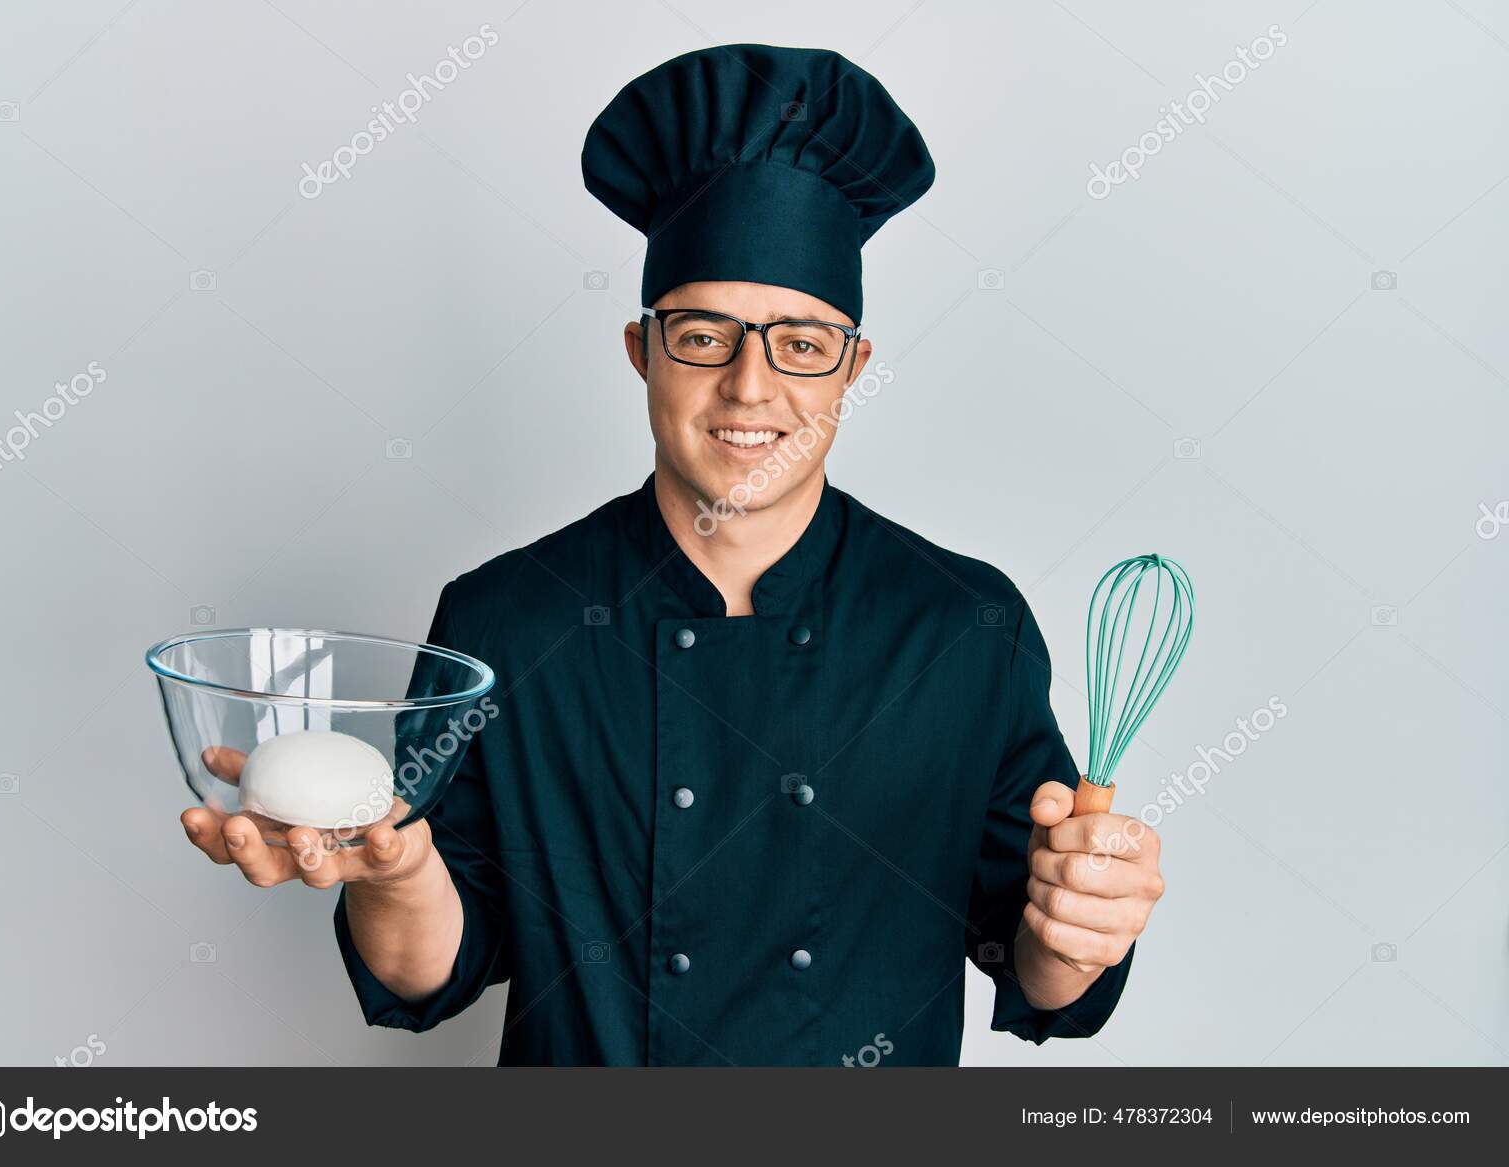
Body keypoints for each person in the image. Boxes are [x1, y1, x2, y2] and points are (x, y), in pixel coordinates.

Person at [180, 43, 1164, 1066]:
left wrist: (1077, 929)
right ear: (641, 349)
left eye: (801, 341)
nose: (749, 387)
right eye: (703, 337)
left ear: (852, 367)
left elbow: (1035, 967)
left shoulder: (962, 626)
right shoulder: (509, 618)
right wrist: (391, 874)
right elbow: (431, 967)